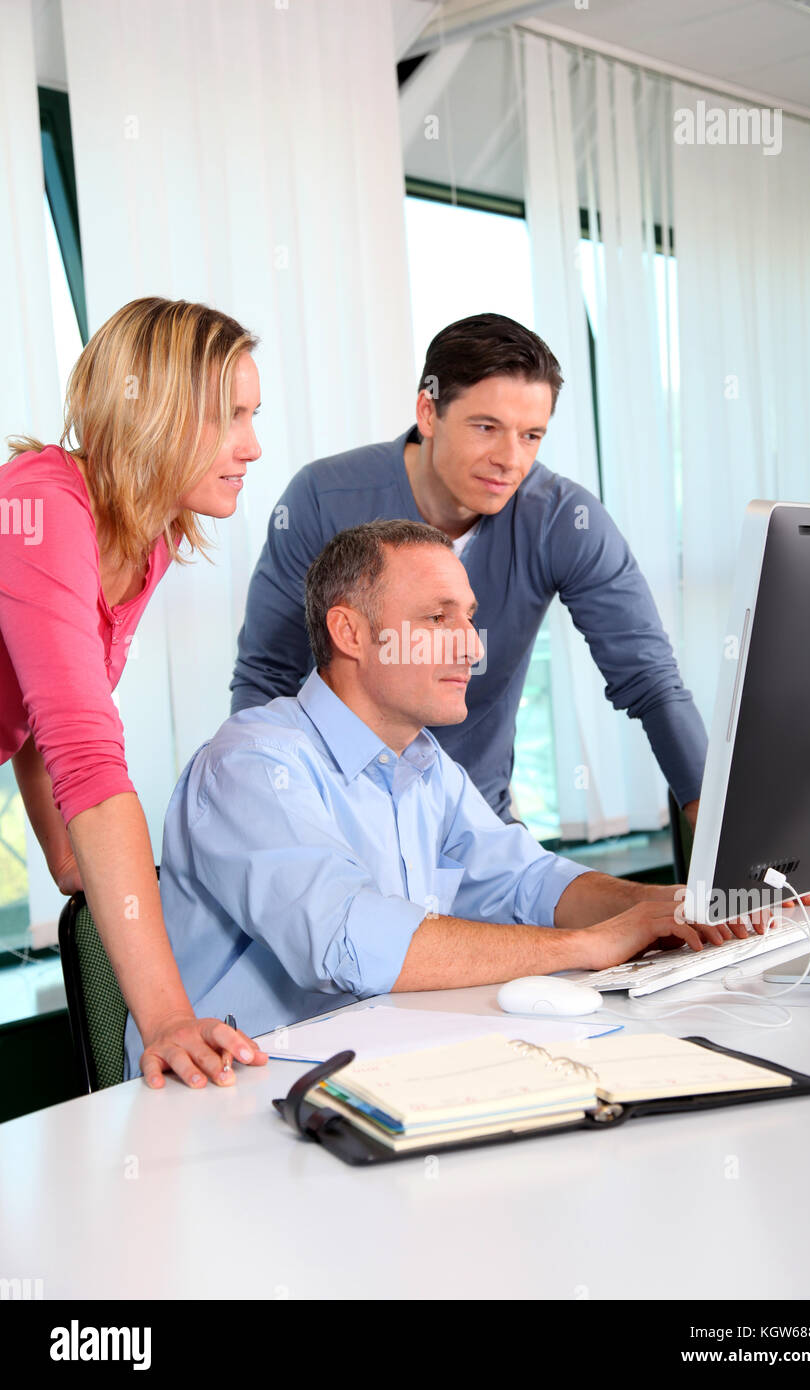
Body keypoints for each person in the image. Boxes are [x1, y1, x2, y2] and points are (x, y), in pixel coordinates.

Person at [125, 520, 751, 1076]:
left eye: (469, 618)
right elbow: (344, 940)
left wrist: (663, 906)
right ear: (350, 632)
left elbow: (527, 882)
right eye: (437, 619)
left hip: (377, 1068)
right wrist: (588, 946)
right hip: (236, 1095)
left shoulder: (424, 763)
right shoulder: (253, 763)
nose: (472, 647)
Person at [231, 313, 707, 827]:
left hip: (477, 826)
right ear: (428, 412)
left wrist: (720, 833)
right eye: (486, 428)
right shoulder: (323, 498)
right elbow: (267, 675)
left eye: (531, 435)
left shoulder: (563, 520)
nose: (510, 460)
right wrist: (265, 819)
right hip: (335, 816)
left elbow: (650, 681)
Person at [1, 297, 268, 1089]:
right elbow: (87, 750)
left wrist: (67, 856)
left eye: (253, 416)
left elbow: (49, 711)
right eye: (228, 417)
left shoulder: (147, 537)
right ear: (152, 413)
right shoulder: (42, 507)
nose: (252, 447)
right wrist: (169, 1020)